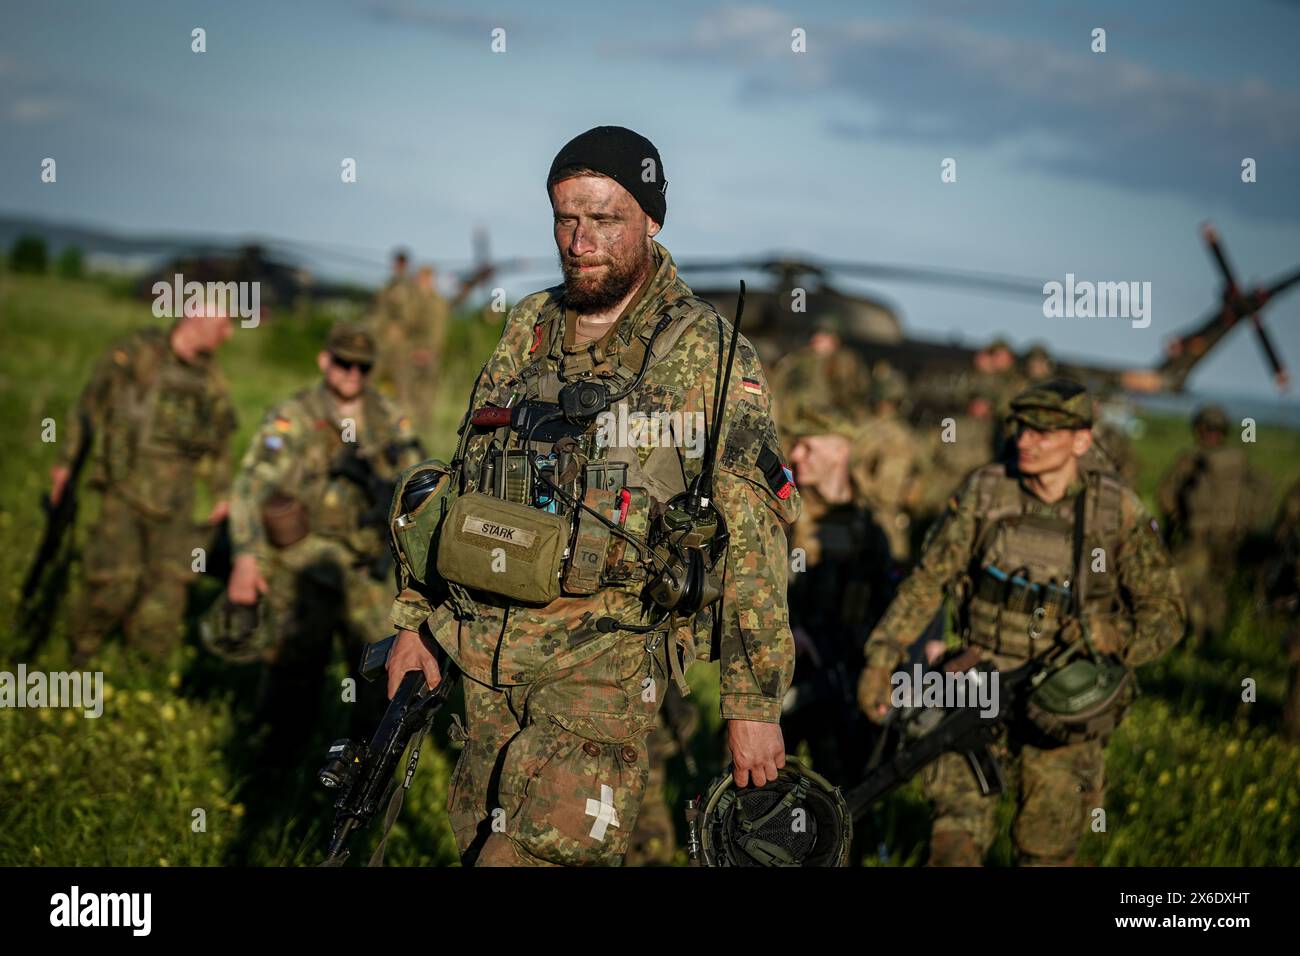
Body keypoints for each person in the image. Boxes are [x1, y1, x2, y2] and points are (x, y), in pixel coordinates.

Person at [383, 125, 799, 866]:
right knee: (478, 841)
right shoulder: (528, 327)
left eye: (605, 219)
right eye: (565, 219)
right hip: (485, 661)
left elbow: (755, 536)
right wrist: (418, 622)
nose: (580, 241)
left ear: (651, 221)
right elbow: (464, 479)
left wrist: (753, 703)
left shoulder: (706, 350)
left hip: (602, 675)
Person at [858, 378, 1186, 866]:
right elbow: (929, 581)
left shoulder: (1113, 511)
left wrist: (1111, 637)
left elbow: (1167, 613)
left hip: (1064, 695)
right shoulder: (988, 491)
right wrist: (882, 658)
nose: (1026, 441)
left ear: (1080, 439)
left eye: (1044, 432)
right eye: (1022, 429)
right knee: (952, 842)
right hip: (973, 684)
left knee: (1045, 850)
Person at [227, 321, 423, 767]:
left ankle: (359, 774)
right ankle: (274, 767)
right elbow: (250, 489)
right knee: (292, 676)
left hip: (369, 567)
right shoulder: (294, 416)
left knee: (378, 679)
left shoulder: (390, 419)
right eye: (343, 362)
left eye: (362, 366)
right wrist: (245, 557)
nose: (351, 373)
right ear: (324, 361)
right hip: (304, 565)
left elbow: (418, 492)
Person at [51, 306, 236, 666]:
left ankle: (143, 670)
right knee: (111, 581)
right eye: (223, 323)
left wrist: (221, 492)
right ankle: (81, 653)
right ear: (197, 317)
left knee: (167, 592)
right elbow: (88, 411)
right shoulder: (136, 356)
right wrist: (65, 465)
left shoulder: (210, 379)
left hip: (179, 501)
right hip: (123, 491)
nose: (228, 334)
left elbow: (219, 443)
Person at [782, 404, 893, 785]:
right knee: (765, 781)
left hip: (847, 671)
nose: (795, 455)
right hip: (789, 668)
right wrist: (789, 631)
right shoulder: (784, 510)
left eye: (808, 446)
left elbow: (896, 598)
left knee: (847, 779)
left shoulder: (873, 521)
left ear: (840, 451)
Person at [1156, 404, 1268, 645]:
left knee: (1184, 586)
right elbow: (1259, 495)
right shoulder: (1240, 460)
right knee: (1216, 589)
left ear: (1198, 428)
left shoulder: (1192, 459)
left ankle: (1189, 637)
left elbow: (1166, 493)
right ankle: (1211, 640)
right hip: (1230, 538)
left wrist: (1176, 520)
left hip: (1196, 536)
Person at [768, 314, 874, 427]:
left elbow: (854, 396)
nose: (817, 338)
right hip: (796, 423)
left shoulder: (844, 361)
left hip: (831, 424)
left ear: (835, 339)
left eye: (824, 334)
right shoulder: (797, 360)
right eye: (815, 334)